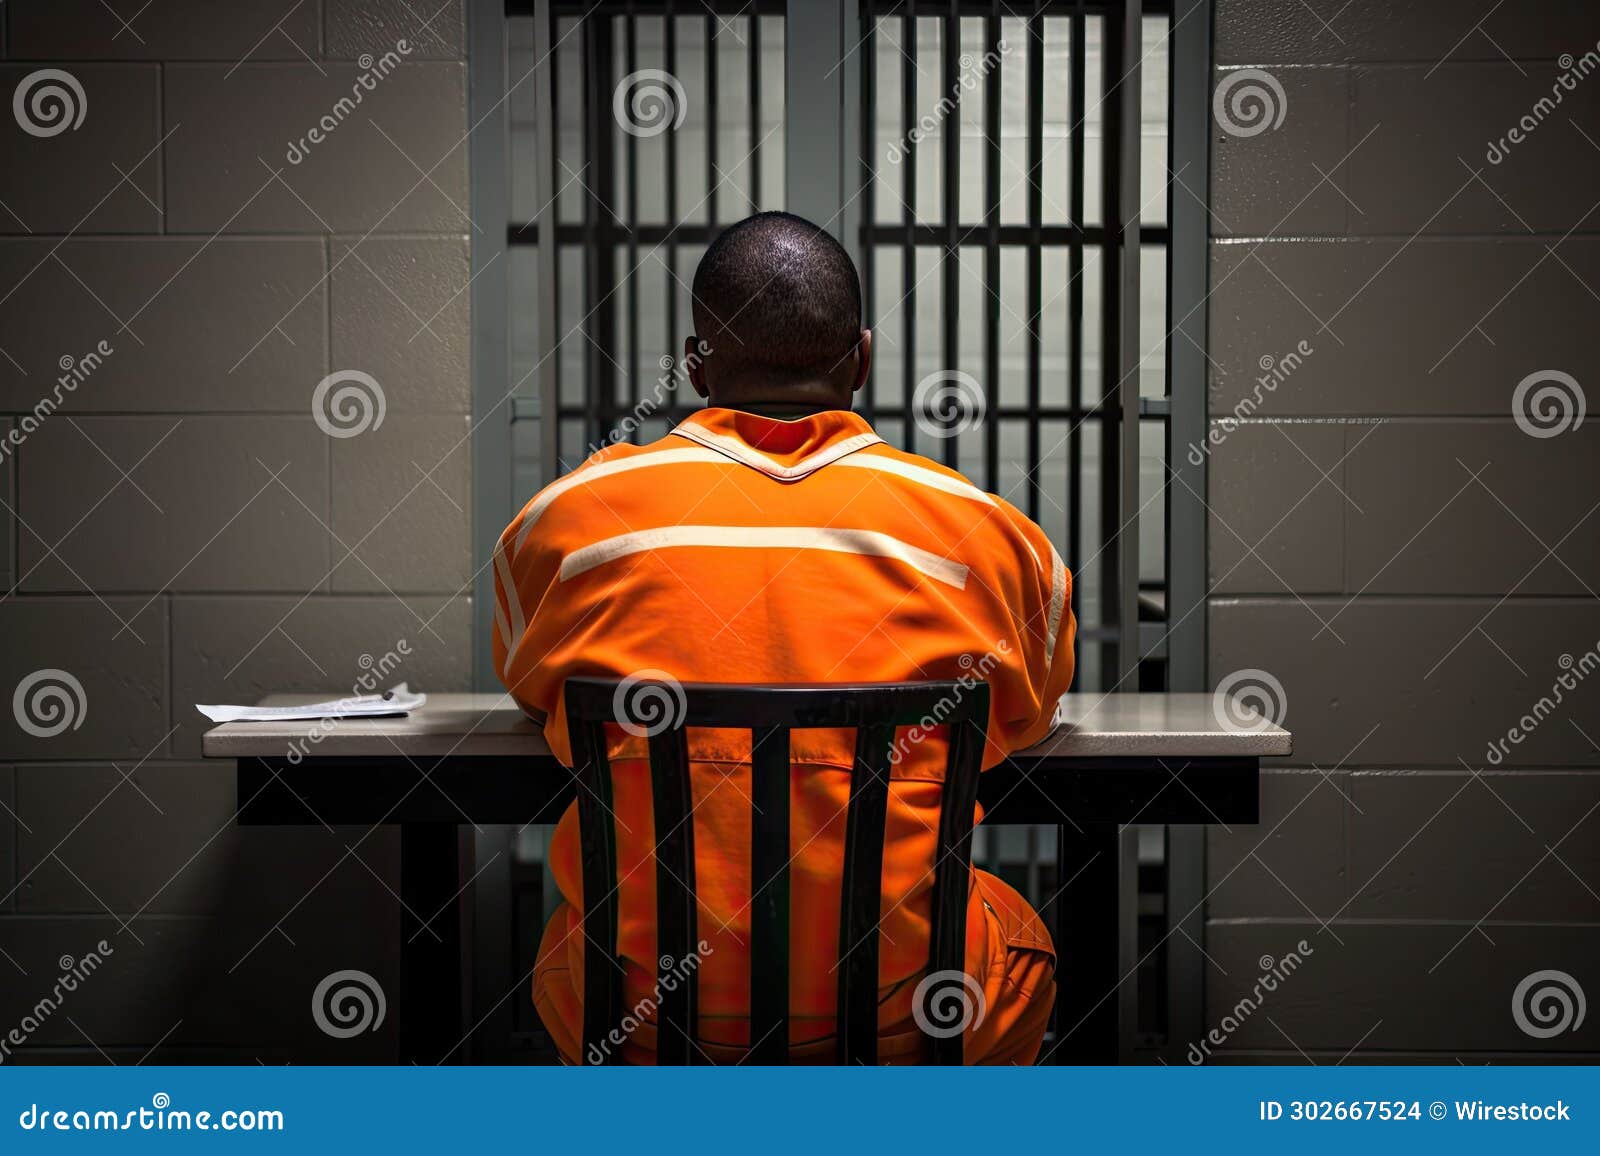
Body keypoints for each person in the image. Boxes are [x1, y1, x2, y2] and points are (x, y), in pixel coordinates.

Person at [493, 211, 1075, 1064]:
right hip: (907, 1024)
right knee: (1015, 929)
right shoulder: (983, 534)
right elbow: (1029, 717)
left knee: (566, 936)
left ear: (695, 367)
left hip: (644, 1021)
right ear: (862, 358)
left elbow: (530, 689)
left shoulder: (565, 526)